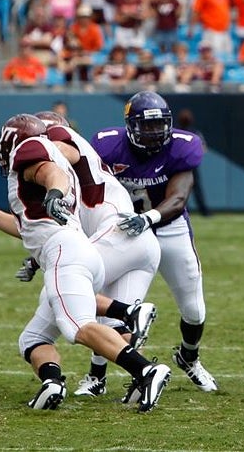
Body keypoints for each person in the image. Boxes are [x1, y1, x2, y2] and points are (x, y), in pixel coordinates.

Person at [0, 113, 170, 412]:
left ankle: (145, 370)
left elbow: (50, 170)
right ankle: (53, 382)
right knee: (33, 337)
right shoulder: (57, 167)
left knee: (78, 326)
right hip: (90, 248)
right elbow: (28, 225)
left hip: (80, 247)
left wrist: (54, 191)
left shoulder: (34, 148)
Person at [90, 92, 219, 394]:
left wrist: (147, 218)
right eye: (146, 127)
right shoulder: (106, 146)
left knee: (194, 309)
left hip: (168, 228)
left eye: (160, 125)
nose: (154, 133)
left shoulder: (182, 147)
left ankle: (189, 357)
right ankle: (96, 376)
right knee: (111, 304)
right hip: (124, 231)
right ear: (130, 126)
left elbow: (178, 198)